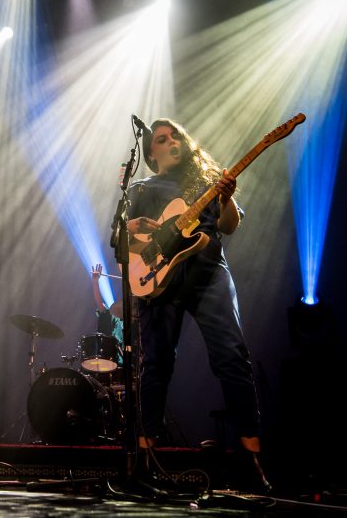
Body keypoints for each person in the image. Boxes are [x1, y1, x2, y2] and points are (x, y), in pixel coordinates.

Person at [126, 119, 270, 491]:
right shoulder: (142, 188)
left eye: (175, 135)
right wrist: (134, 234)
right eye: (161, 139)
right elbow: (129, 247)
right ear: (151, 152)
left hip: (207, 273)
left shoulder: (208, 179)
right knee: (155, 363)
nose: (170, 140)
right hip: (160, 280)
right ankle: (145, 460)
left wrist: (225, 197)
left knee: (233, 356)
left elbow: (229, 225)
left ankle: (250, 459)